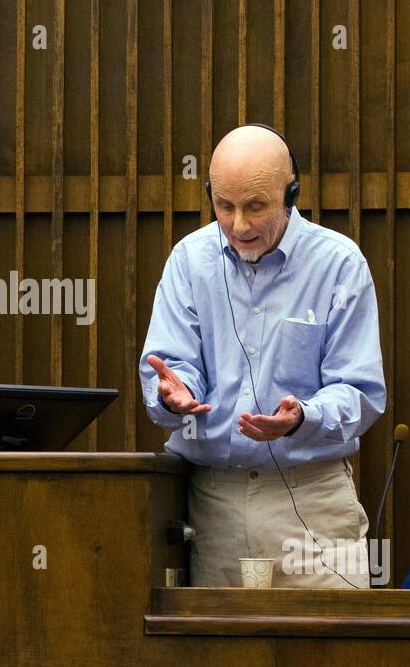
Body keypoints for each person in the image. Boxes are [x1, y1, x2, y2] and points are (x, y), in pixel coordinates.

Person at [139, 124, 385, 588]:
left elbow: (360, 391)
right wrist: (175, 394)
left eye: (256, 207)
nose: (239, 226)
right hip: (212, 501)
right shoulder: (189, 261)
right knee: (216, 658)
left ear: (291, 194)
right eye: (224, 206)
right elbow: (172, 364)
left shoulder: (339, 264)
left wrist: (303, 417)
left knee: (328, 656)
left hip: (311, 499)